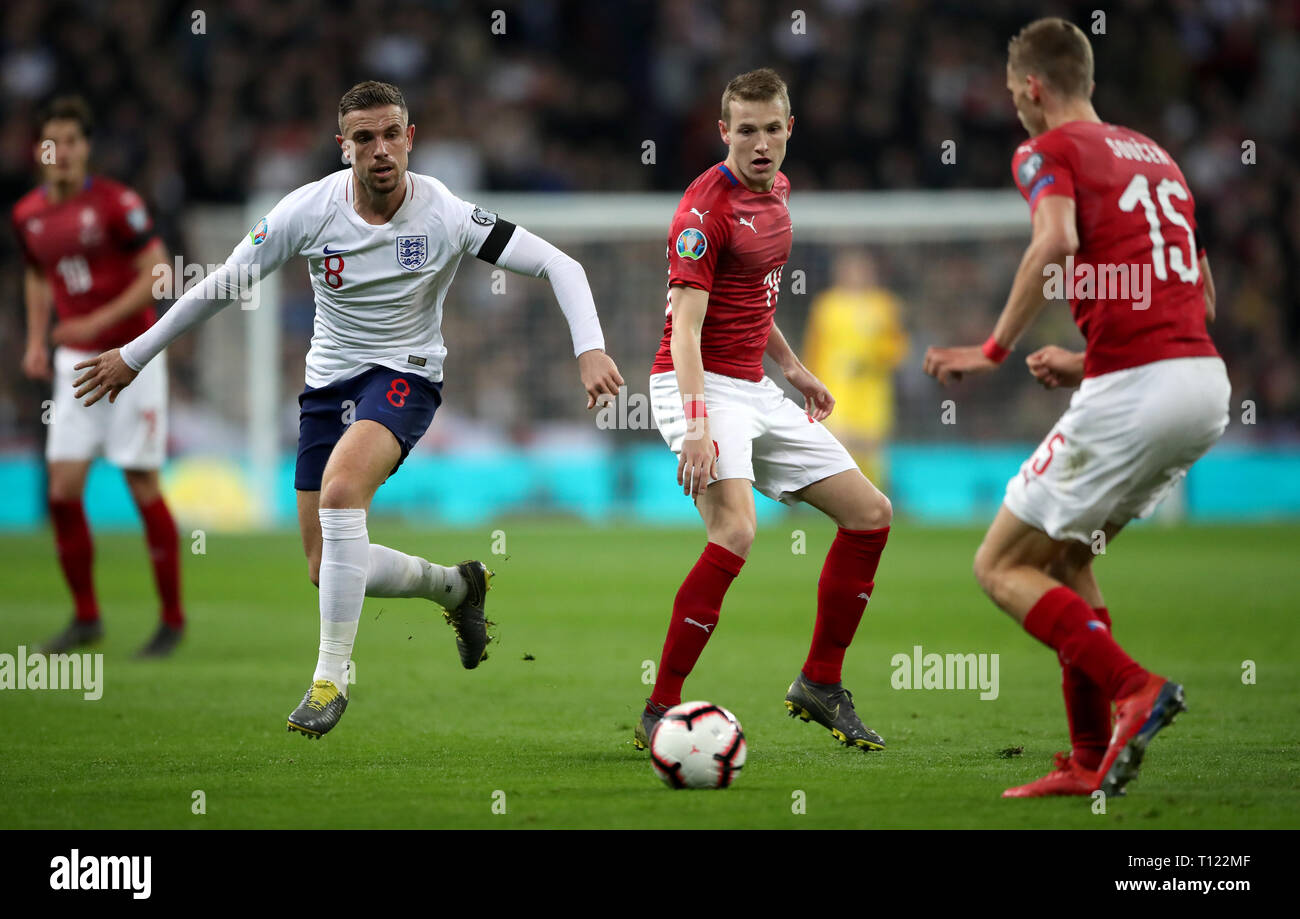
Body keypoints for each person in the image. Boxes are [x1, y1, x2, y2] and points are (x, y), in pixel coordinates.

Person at [72, 81, 623, 738]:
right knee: (325, 564)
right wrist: (135, 355)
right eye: (364, 138)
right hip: (327, 391)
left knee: (341, 495)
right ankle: (457, 588)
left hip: (405, 378)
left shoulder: (444, 212)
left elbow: (561, 265)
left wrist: (589, 349)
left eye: (392, 134)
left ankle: (329, 680)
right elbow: (222, 283)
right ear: (344, 148)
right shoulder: (306, 212)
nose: (381, 150)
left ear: (410, 138)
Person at [922, 18, 1228, 798]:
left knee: (998, 564)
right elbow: (1201, 295)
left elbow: (1054, 240)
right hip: (1201, 386)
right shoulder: (1156, 157)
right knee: (1067, 557)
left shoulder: (1045, 151)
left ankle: (1136, 686)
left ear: (1031, 88)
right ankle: (1090, 758)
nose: (1015, 110)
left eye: (1011, 95)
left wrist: (990, 351)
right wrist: (1091, 358)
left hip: (1138, 393)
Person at [635, 69, 894, 754]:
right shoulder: (702, 212)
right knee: (736, 531)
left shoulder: (778, 193)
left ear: (789, 129)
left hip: (752, 386)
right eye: (745, 130)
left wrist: (794, 368)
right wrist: (695, 423)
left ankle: (820, 682)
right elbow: (686, 331)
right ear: (724, 132)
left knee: (871, 515)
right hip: (694, 385)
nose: (760, 143)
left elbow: (754, 296)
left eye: (771, 128)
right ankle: (660, 705)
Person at [14, 95, 185, 658]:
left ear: (86, 149)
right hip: (73, 366)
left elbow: (158, 272)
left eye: (73, 141)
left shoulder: (116, 204)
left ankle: (171, 619)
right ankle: (86, 617)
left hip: (133, 358)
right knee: (63, 491)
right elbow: (39, 274)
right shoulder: (28, 215)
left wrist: (96, 320)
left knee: (141, 486)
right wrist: (39, 339)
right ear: (38, 150)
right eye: (52, 141)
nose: (62, 152)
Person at [803, 249, 909, 489]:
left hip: (873, 388)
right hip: (835, 386)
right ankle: (839, 499)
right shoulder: (827, 305)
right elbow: (814, 347)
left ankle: (876, 497)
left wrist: (875, 359)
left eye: (861, 269)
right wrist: (811, 382)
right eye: (850, 269)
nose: (856, 275)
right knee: (837, 442)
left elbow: (898, 347)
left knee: (872, 445)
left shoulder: (884, 304)